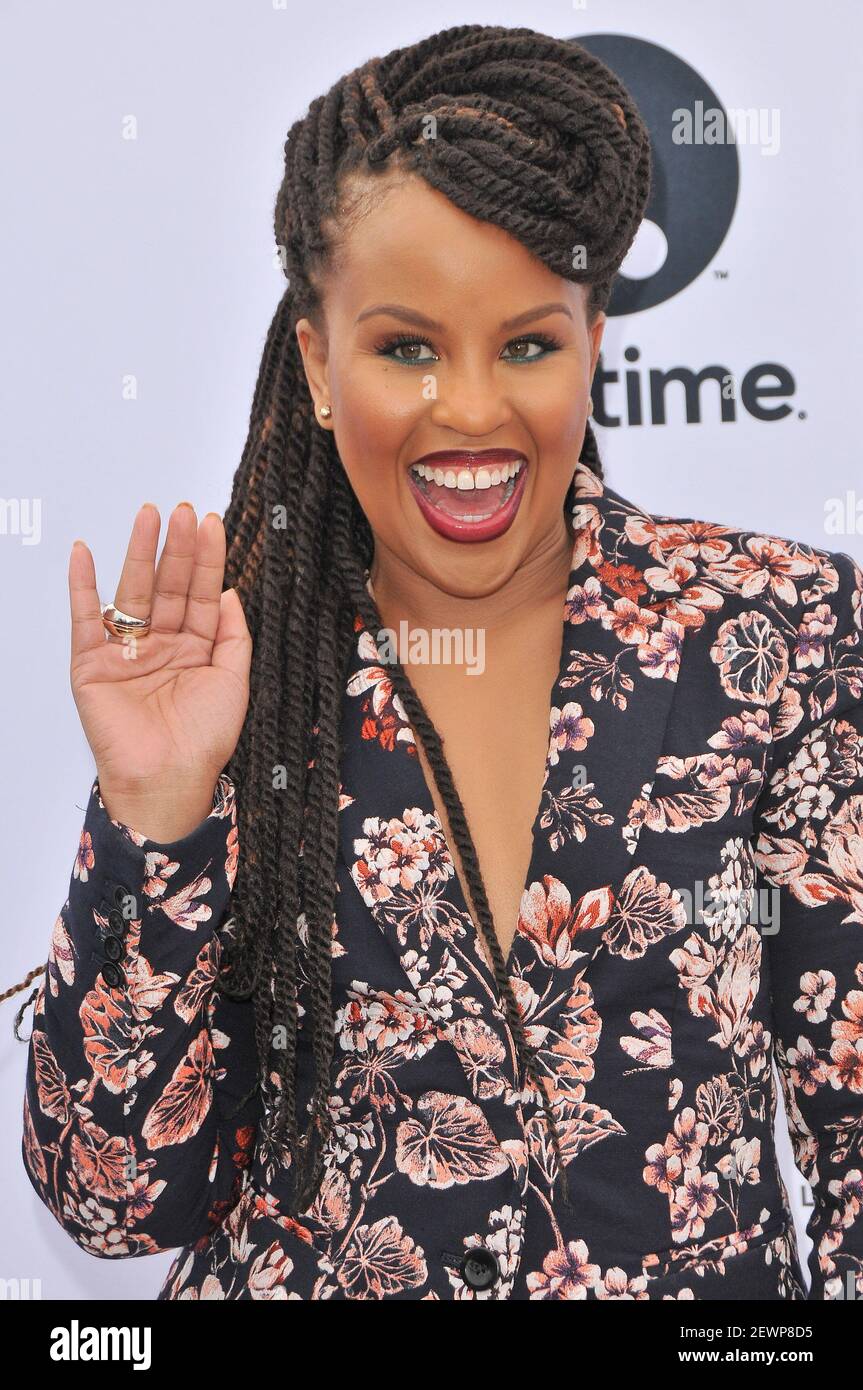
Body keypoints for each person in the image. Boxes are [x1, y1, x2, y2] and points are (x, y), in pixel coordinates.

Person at [8, 23, 863, 1300]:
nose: (469, 410)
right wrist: (154, 814)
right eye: (405, 347)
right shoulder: (231, 670)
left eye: (527, 343)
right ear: (314, 360)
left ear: (593, 344)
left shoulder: (767, 631)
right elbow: (116, 1205)